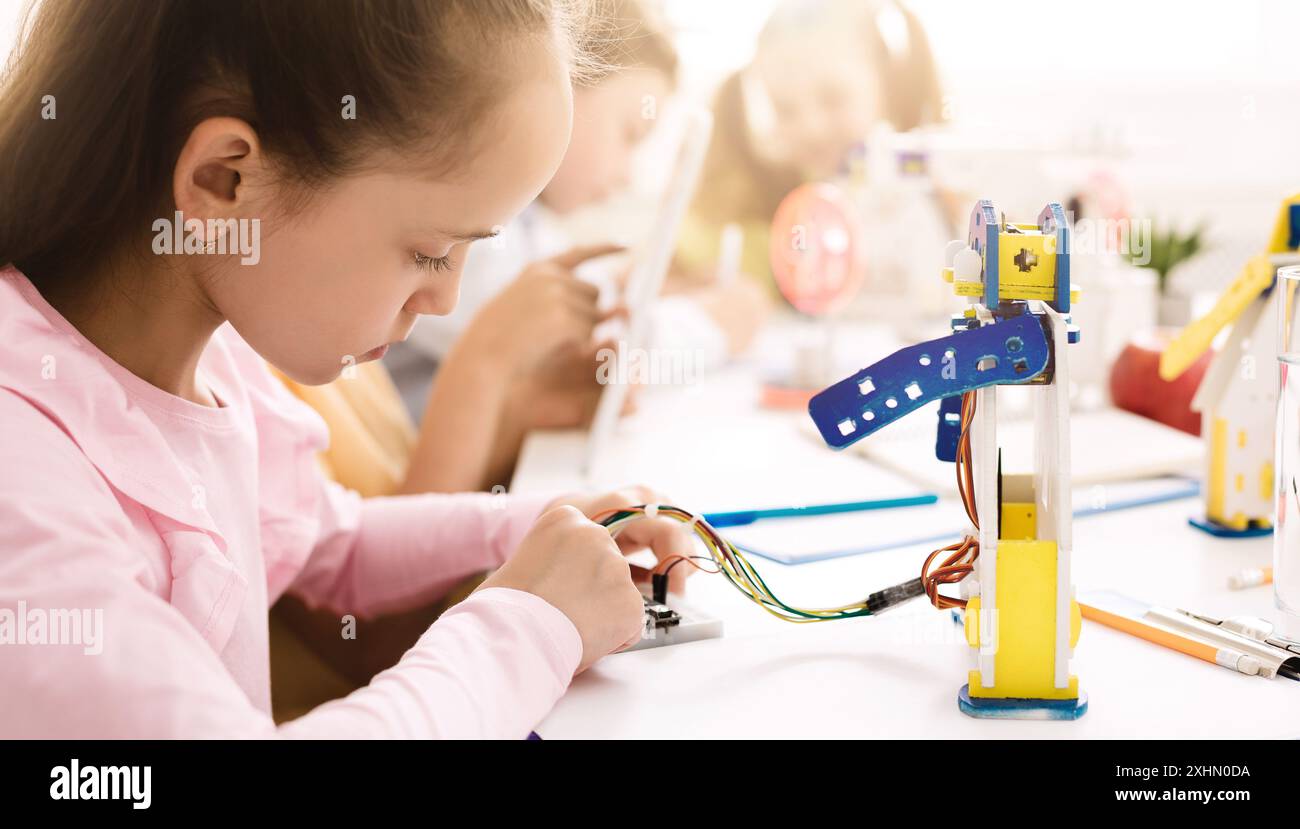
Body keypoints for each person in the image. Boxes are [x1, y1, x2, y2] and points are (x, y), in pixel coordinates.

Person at [0, 0, 693, 739]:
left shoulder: (216, 365)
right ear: (223, 181)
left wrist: (537, 528)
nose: (445, 297)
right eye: (429, 251)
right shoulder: (26, 479)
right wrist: (530, 626)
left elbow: (333, 542)